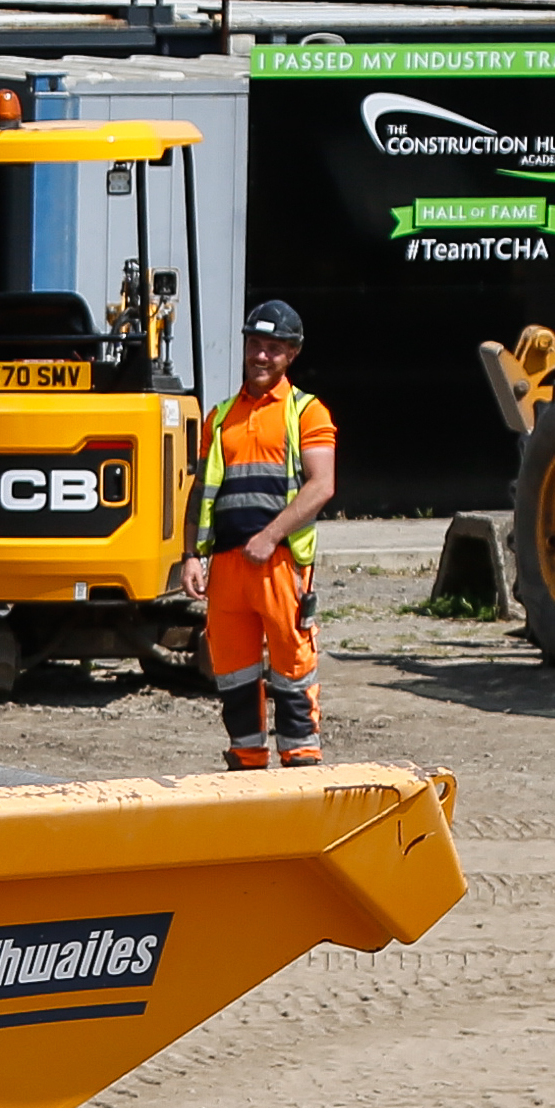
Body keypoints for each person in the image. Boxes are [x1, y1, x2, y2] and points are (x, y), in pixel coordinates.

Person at [177, 296, 338, 768]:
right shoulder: (221, 416)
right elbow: (199, 490)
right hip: (227, 567)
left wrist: (270, 536)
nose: (261, 355)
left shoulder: (307, 412)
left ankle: (301, 763)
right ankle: (246, 762)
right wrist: (191, 555)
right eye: (255, 344)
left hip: (281, 564)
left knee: (292, 669)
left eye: (273, 347)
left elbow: (322, 485)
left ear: (292, 354)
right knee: (233, 673)